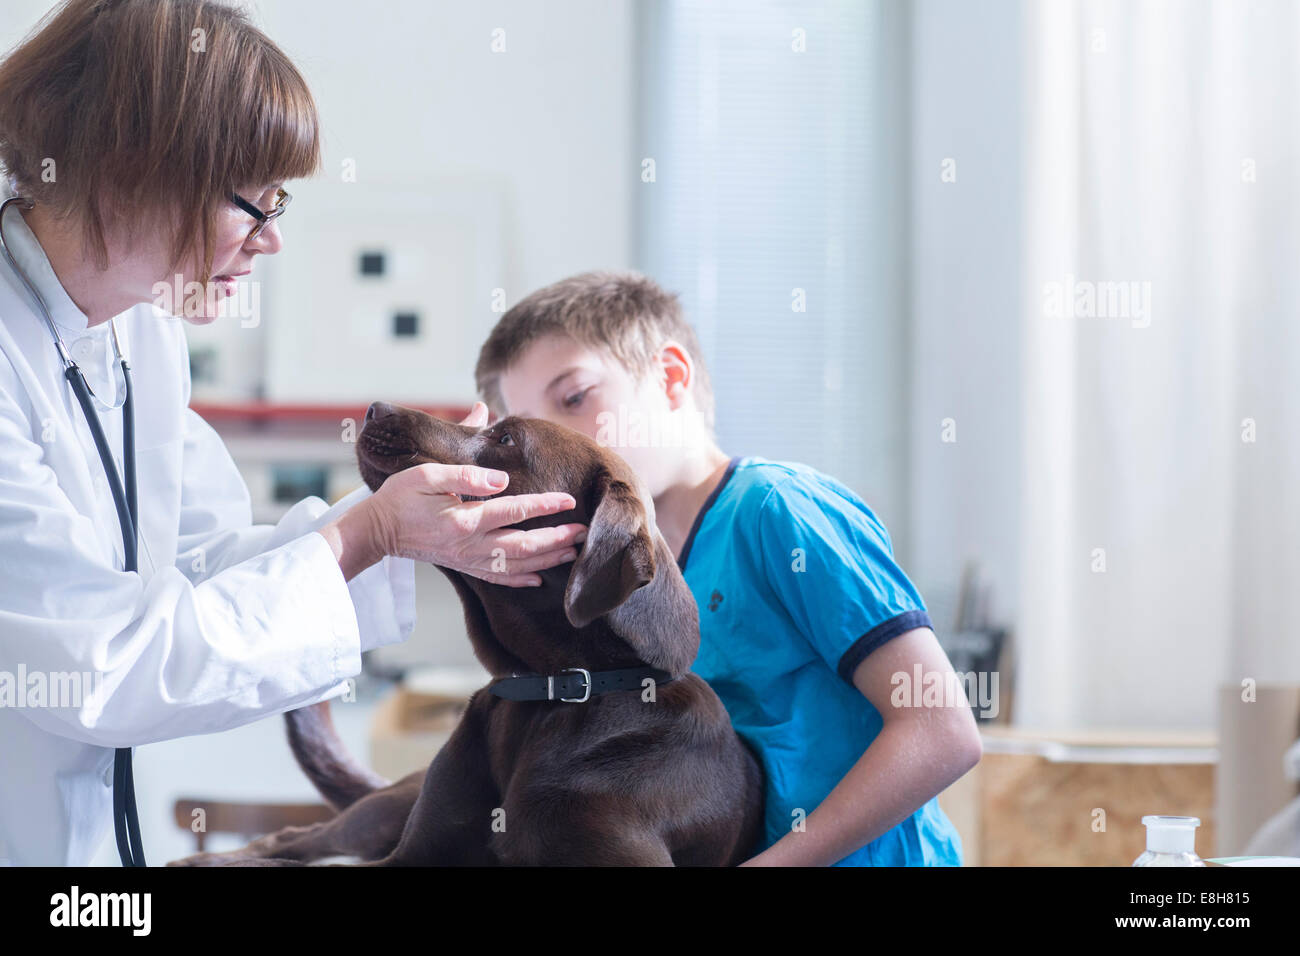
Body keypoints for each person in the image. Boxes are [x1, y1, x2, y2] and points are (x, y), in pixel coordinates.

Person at [0, 0, 584, 866]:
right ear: (135, 173)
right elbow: (106, 662)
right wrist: (371, 531)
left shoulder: (139, 329)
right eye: (256, 204)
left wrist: (397, 531)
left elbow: (189, 577)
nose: (270, 242)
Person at [474, 270, 983, 866]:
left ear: (670, 377)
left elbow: (942, 731)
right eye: (532, 427)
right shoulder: (620, 574)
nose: (560, 441)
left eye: (576, 398)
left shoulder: (779, 510)